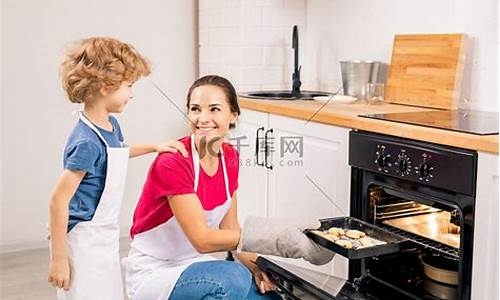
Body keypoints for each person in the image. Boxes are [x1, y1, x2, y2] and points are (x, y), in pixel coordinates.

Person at [126, 75, 334, 300]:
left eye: (214, 109)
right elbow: (202, 240)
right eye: (195, 109)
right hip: (155, 272)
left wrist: (256, 266)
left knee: (269, 295)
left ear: (233, 115)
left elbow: (230, 227)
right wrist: (276, 238)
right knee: (233, 278)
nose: (203, 118)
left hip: (194, 264)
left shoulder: (230, 157)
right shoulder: (173, 162)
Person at [47, 37, 188, 300]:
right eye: (129, 85)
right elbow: (58, 201)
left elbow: (117, 154)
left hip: (105, 237)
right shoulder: (86, 141)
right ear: (105, 86)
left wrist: (155, 147)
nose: (132, 93)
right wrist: (59, 259)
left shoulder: (110, 125)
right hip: (84, 242)